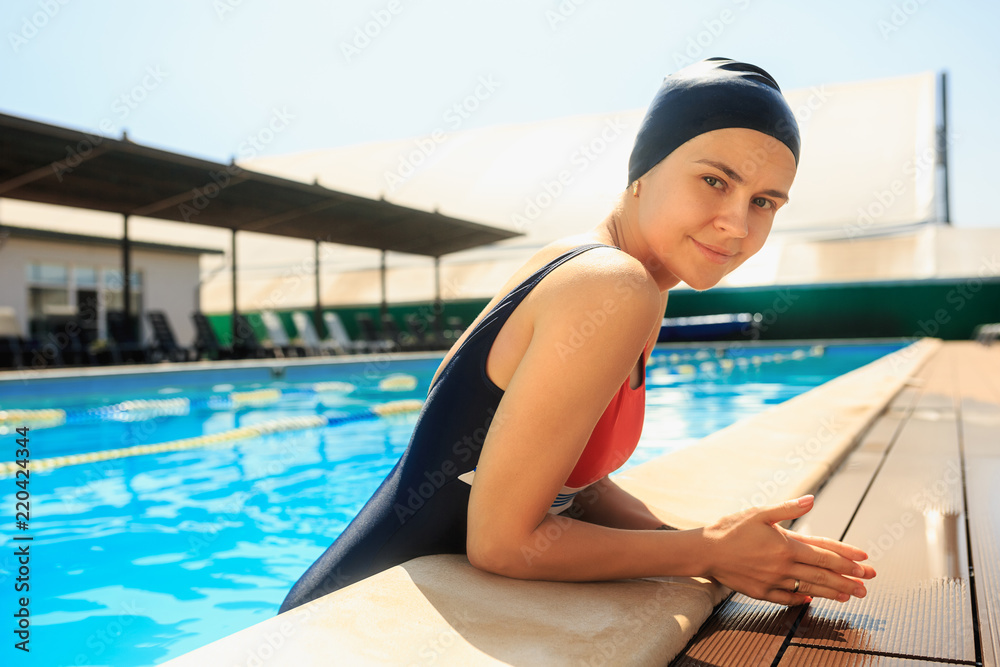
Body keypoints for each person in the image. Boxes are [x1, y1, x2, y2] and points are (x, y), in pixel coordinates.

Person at [279, 57, 876, 614]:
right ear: (643, 170)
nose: (738, 224)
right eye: (716, 181)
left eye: (765, 201)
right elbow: (504, 544)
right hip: (340, 623)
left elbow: (576, 485)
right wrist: (705, 551)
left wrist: (719, 544)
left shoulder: (606, 271)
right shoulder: (610, 285)